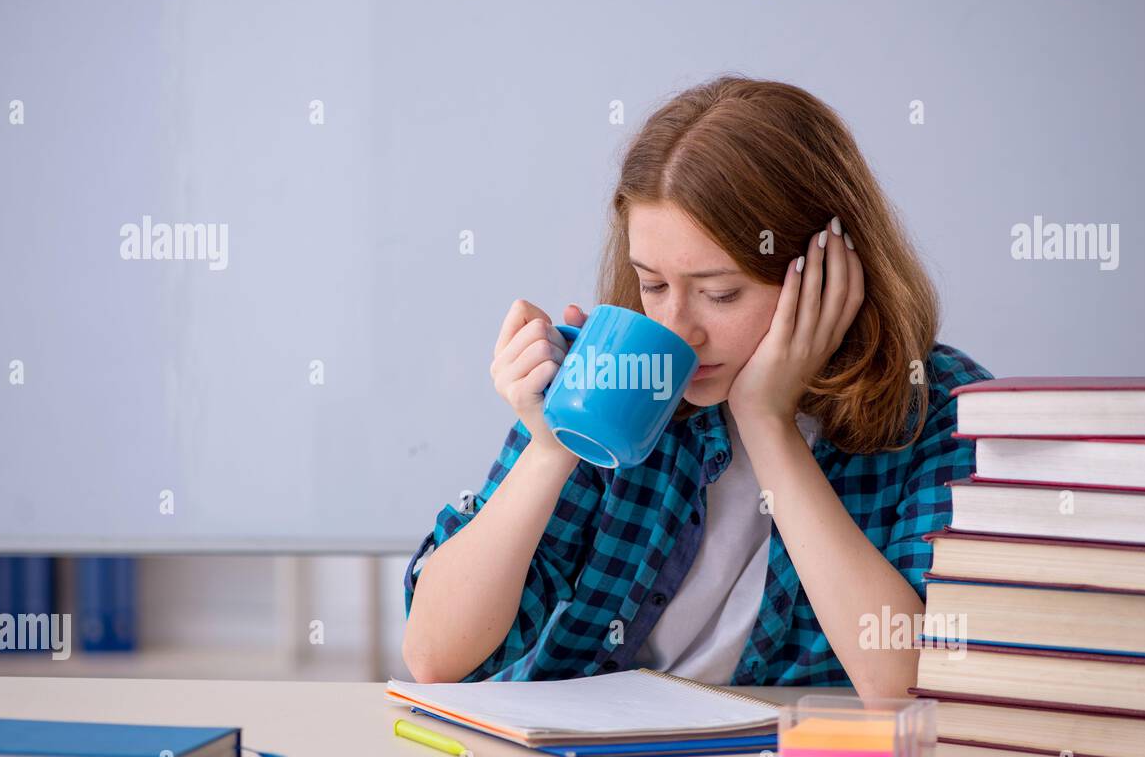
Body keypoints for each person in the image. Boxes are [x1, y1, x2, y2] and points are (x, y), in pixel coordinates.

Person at [402, 75, 993, 695]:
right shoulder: (616, 380)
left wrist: (768, 425)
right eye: (652, 285)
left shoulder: (939, 408)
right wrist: (549, 446)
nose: (677, 329)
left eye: (720, 293)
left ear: (829, 271)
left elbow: (913, 687)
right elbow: (436, 655)